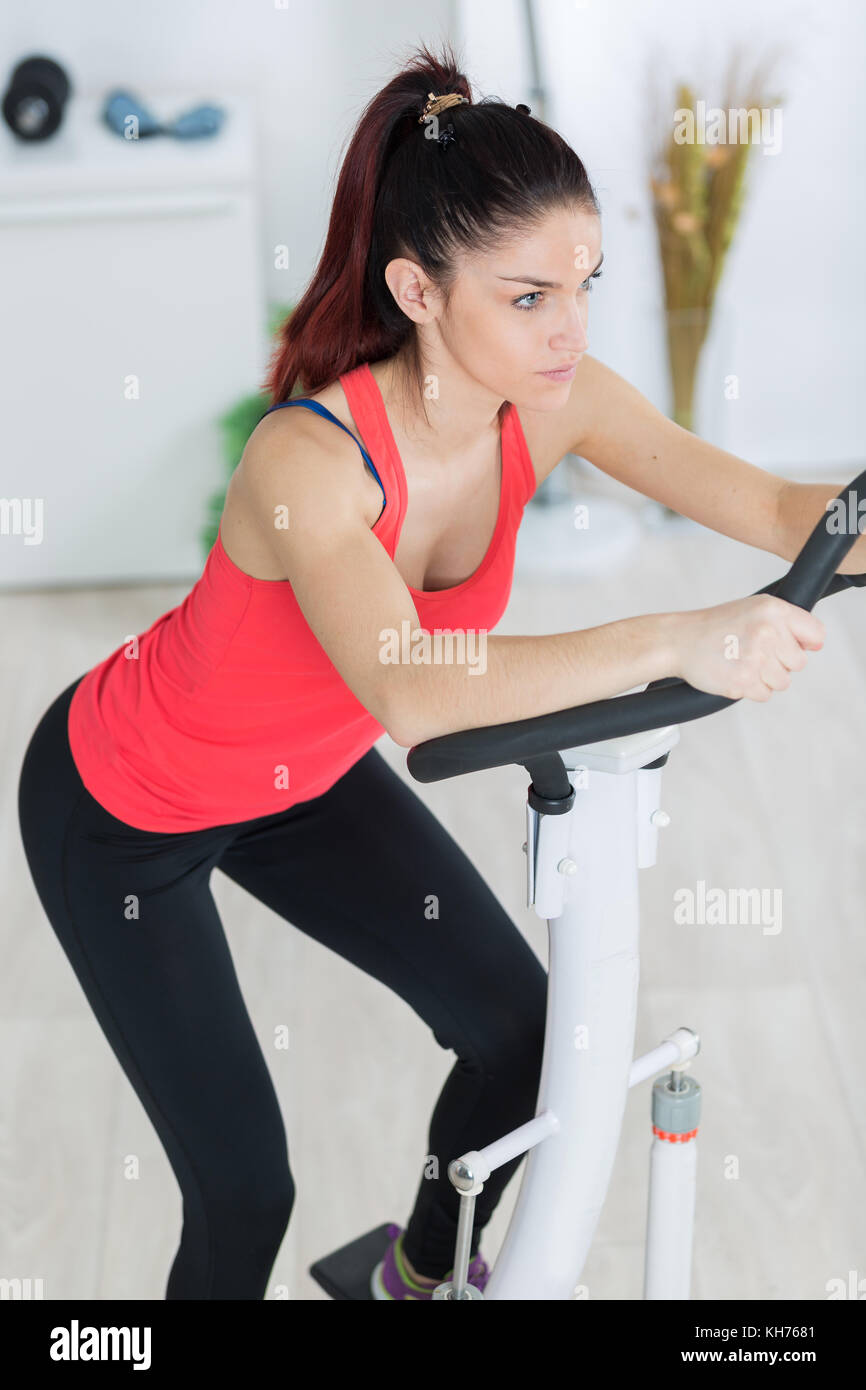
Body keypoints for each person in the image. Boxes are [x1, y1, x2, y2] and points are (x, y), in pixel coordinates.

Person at [17, 39, 836, 1302]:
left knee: (519, 1037)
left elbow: (781, 506)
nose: (567, 330)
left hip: (299, 778)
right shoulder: (308, 463)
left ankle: (418, 1273)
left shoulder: (553, 400)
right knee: (245, 1188)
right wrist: (679, 633)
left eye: (582, 285)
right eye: (525, 298)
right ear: (414, 288)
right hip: (126, 804)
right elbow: (411, 684)